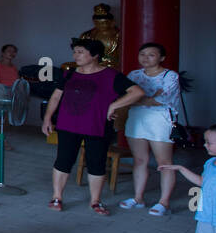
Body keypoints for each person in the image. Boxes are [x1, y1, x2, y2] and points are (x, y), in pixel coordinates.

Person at [42, 37, 146, 215]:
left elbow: (137, 92)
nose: (76, 55)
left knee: (96, 163)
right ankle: (57, 196)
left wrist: (114, 105)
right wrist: (47, 119)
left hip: (96, 126)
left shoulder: (111, 75)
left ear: (95, 55)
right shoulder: (69, 74)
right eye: (75, 51)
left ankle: (95, 201)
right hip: (68, 124)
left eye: (81, 51)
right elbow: (56, 97)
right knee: (63, 160)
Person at [119, 42, 182, 216]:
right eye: (142, 54)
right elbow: (125, 96)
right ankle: (138, 197)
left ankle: (164, 202)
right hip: (137, 119)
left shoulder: (170, 76)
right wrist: (144, 98)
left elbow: (160, 100)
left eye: (151, 55)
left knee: (164, 163)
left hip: (160, 120)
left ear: (161, 58)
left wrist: (137, 99)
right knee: (139, 160)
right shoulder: (134, 74)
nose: (145, 58)